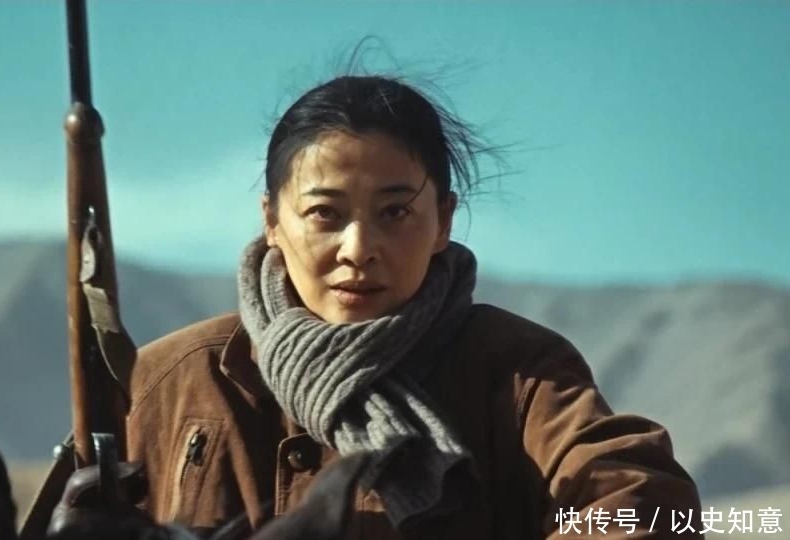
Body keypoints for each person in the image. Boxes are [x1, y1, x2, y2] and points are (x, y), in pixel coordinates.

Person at [123, 74, 705, 539]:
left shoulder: (519, 373)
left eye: (395, 212)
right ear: (272, 220)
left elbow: (648, 505)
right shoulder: (174, 380)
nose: (358, 250)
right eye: (325, 213)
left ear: (443, 221)